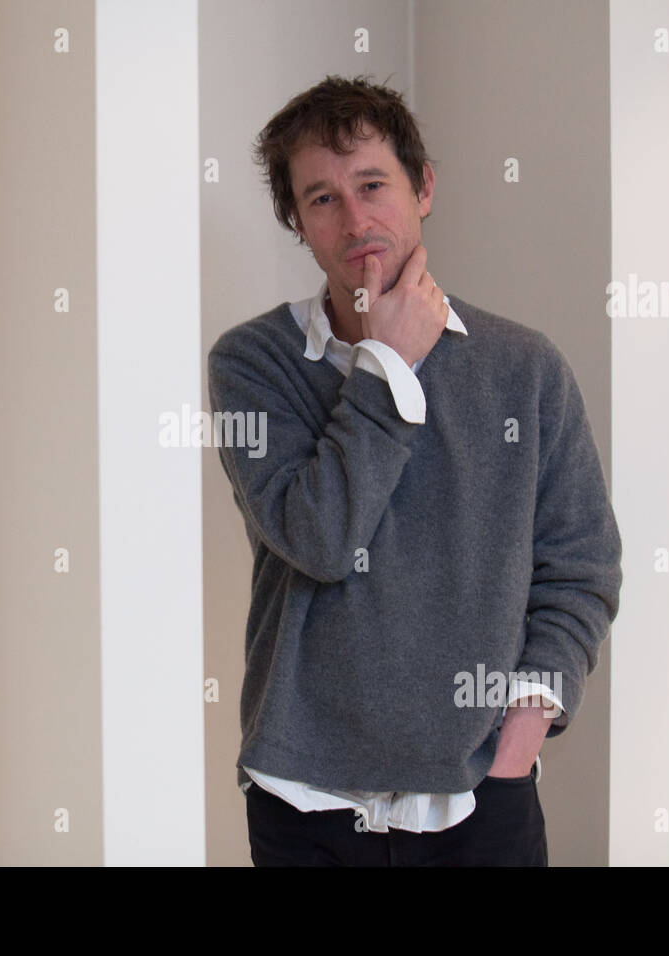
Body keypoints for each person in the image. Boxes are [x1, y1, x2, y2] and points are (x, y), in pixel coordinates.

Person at [206, 74, 623, 866]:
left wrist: (515, 744)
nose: (355, 218)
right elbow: (321, 538)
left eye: (372, 184)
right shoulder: (253, 364)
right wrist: (389, 364)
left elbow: (581, 568)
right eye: (322, 198)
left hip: (479, 802)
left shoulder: (524, 369)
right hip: (308, 801)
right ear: (298, 221)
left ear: (422, 188)